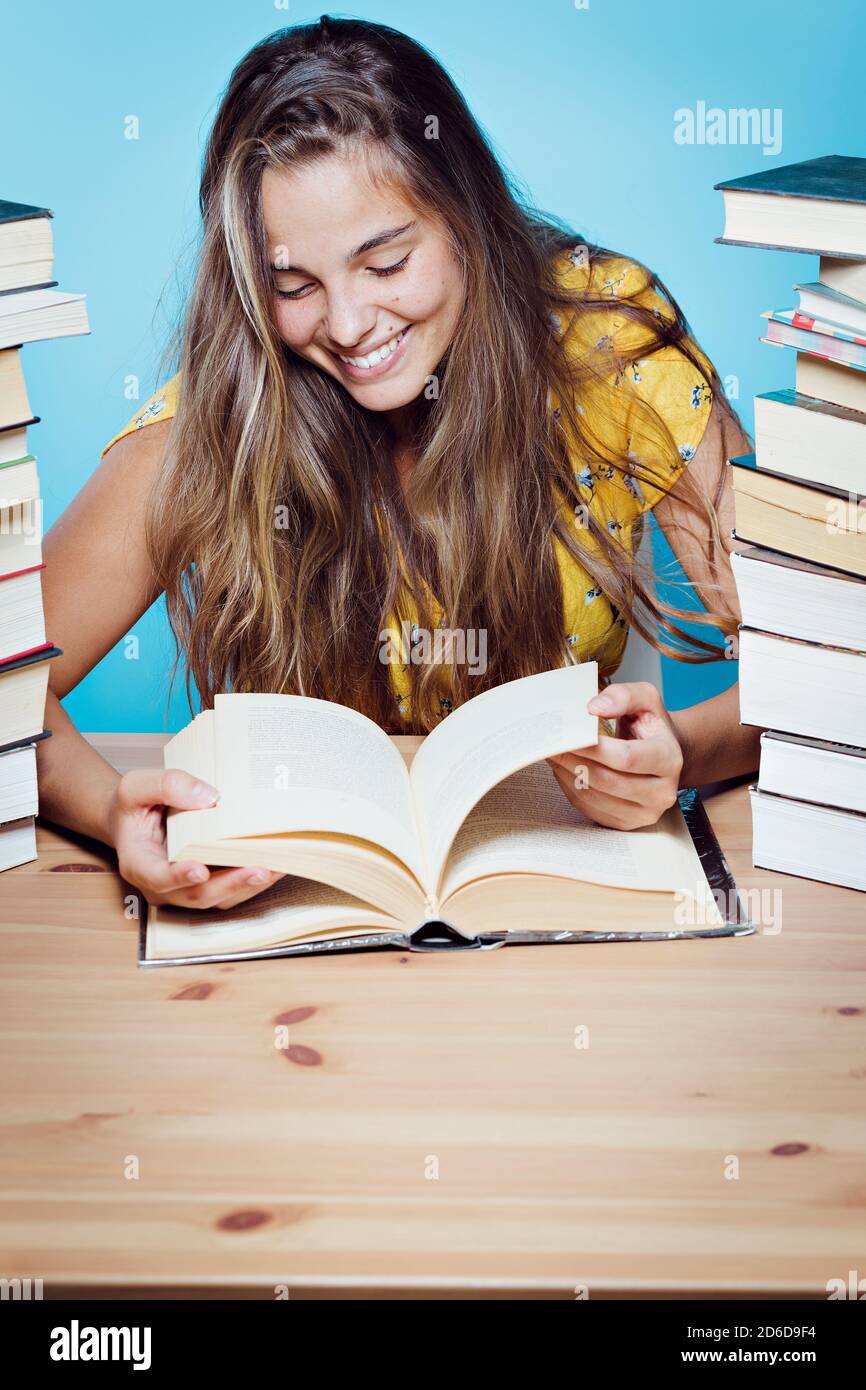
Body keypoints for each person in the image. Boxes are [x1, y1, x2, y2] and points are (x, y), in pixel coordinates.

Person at [38, 16, 757, 914]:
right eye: (294, 286)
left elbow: (832, 673)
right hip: (296, 925)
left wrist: (683, 750)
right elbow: (7, 686)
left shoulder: (612, 348)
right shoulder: (218, 421)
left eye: (386, 263)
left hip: (558, 903)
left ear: (466, 214)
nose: (345, 325)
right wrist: (112, 812)